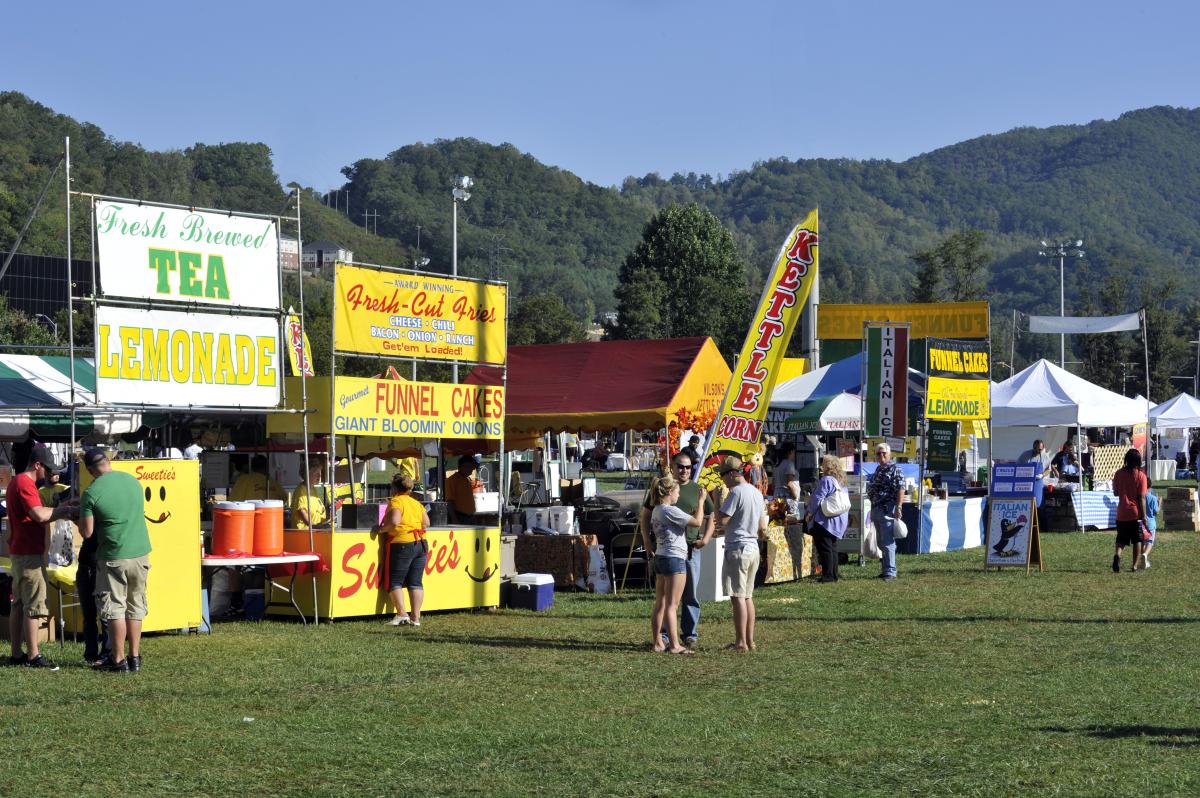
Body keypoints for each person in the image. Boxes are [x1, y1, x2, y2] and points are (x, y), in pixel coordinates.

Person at [79, 448, 153, 673]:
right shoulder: (133, 481)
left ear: (90, 470)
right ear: (108, 461)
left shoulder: (91, 493)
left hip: (113, 556)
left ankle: (118, 659)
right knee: (135, 605)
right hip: (140, 553)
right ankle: (135, 657)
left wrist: (79, 514)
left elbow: (87, 532)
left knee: (115, 608)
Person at [5, 446, 74, 670]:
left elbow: (37, 512)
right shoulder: (26, 484)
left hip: (20, 551)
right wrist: (64, 511)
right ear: (37, 465)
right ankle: (33, 656)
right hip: (29, 553)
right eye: (48, 468)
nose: (50, 473)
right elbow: (39, 515)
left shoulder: (17, 482)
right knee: (34, 605)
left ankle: (17, 654)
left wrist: (60, 507)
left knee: (19, 604)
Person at [639, 452, 714, 649]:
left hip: (669, 554)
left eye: (688, 467)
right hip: (675, 557)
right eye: (680, 466)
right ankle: (673, 643)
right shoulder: (669, 509)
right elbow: (697, 521)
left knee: (665, 601)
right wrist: (700, 502)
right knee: (672, 604)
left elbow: (710, 516)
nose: (685, 470)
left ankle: (662, 641)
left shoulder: (660, 508)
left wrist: (705, 538)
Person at [715, 456, 767, 652]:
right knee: (747, 596)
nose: (722, 480)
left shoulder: (735, 492)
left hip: (738, 549)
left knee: (737, 597)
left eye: (722, 475)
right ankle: (750, 641)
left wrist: (716, 499)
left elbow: (722, 521)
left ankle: (740, 642)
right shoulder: (756, 492)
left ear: (731, 474)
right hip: (752, 547)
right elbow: (762, 527)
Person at [380, 474, 431, 627]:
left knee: (394, 580)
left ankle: (402, 613)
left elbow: (395, 521)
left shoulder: (396, 501)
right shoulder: (416, 503)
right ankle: (415, 618)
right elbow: (426, 523)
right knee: (415, 582)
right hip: (421, 543)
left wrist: (383, 529)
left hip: (402, 543)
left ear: (394, 488)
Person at [806, 455, 848, 583]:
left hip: (825, 520)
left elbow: (817, 499)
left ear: (828, 466)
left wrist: (809, 513)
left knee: (825, 548)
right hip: (838, 520)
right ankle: (834, 574)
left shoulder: (826, 480)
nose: (821, 467)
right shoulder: (841, 481)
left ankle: (828, 576)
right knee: (832, 548)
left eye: (823, 464)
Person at [867, 442, 905, 581]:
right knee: (881, 542)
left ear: (890, 454)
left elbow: (901, 488)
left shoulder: (896, 469)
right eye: (878, 453)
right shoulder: (878, 469)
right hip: (876, 508)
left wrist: (899, 506)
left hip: (887, 508)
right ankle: (885, 569)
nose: (881, 455)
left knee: (888, 541)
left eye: (884, 453)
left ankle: (890, 572)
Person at [1111, 448, 1148, 573]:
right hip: (1135, 513)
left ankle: (1117, 555)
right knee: (1137, 540)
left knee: (1121, 538)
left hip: (1121, 512)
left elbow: (1116, 493)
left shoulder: (1118, 473)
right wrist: (1144, 516)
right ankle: (1134, 566)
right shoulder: (1141, 476)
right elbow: (1141, 498)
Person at [291, 457, 328, 529]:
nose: (319, 476)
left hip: (315, 531)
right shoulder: (302, 489)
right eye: (316, 473)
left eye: (320, 473)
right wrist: (312, 525)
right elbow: (301, 510)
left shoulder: (313, 489)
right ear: (307, 474)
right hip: (305, 532)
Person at [444, 455, 481, 525]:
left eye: (472, 467)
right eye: (470, 467)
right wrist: (454, 519)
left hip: (470, 517)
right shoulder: (451, 481)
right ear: (462, 467)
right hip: (460, 517)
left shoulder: (467, 480)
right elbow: (449, 501)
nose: (472, 469)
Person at [772, 442, 801, 517]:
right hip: (787, 497)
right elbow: (789, 483)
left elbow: (773, 485)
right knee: (790, 520)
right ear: (791, 452)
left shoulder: (777, 466)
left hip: (777, 495)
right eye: (794, 452)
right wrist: (795, 496)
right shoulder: (789, 464)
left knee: (778, 520)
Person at [1139, 477, 1159, 570]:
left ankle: (1144, 560)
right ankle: (1145, 554)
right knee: (1150, 541)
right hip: (1151, 524)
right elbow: (1156, 512)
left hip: (1141, 523)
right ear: (1150, 487)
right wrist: (1159, 502)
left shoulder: (1139, 497)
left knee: (1142, 542)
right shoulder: (1153, 498)